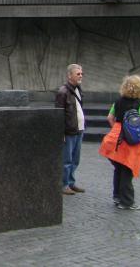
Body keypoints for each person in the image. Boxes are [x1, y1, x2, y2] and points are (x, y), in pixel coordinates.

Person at [99, 75, 140, 210]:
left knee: (118, 169)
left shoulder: (118, 101)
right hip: (130, 142)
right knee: (127, 171)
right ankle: (127, 202)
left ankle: (117, 197)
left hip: (115, 139)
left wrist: (116, 128)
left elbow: (110, 117)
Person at [55, 64, 86, 195]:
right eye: (78, 74)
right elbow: (58, 114)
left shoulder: (78, 89)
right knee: (66, 160)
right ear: (69, 75)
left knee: (75, 159)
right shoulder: (63, 92)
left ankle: (71, 182)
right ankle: (64, 184)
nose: (81, 76)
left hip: (79, 129)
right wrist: (60, 132)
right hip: (69, 131)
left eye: (81, 73)